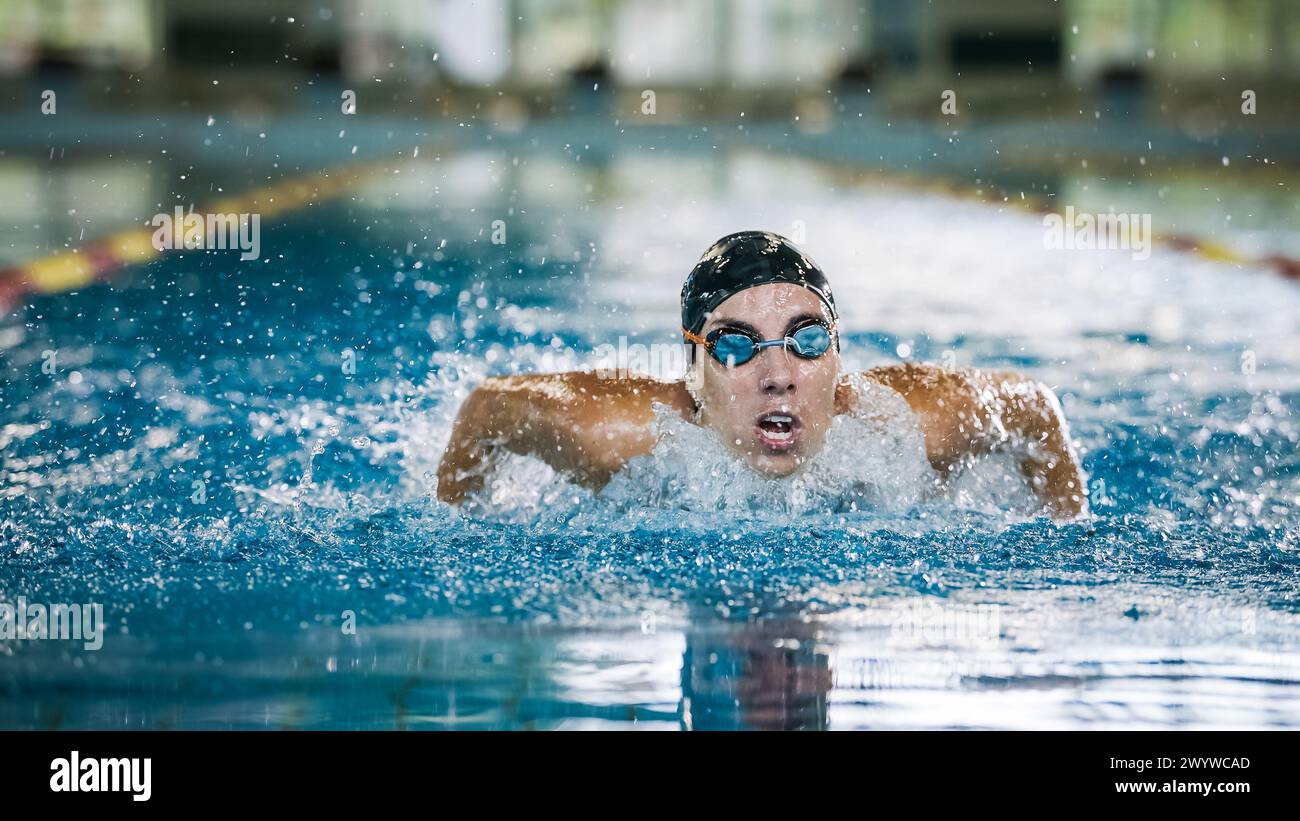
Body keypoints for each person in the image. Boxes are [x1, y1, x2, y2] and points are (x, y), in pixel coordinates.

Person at [437, 231, 1088, 519]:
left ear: (837, 357)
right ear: (692, 372)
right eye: (736, 346)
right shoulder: (618, 435)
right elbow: (487, 409)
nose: (779, 374)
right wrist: (461, 529)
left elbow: (1035, 408)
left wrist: (1066, 533)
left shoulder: (904, 427)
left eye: (807, 340)